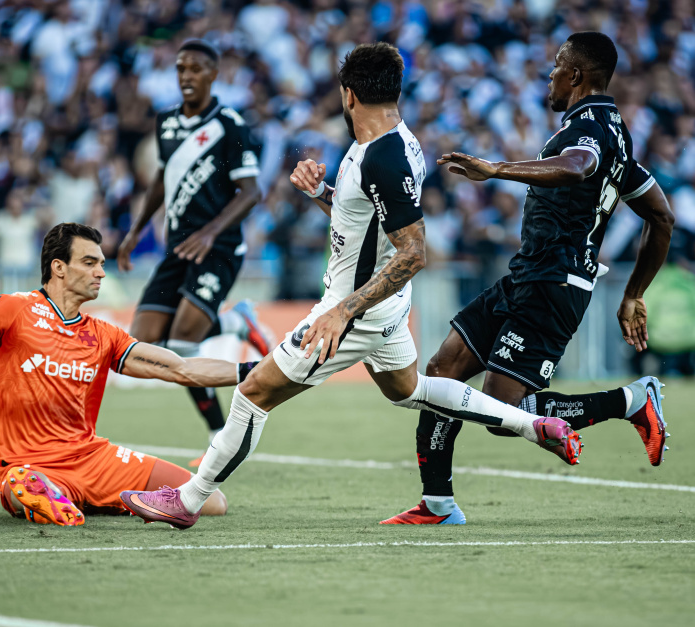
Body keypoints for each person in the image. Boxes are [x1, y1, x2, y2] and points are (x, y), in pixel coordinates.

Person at [119, 42, 582, 530]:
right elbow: (372, 224)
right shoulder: (393, 141)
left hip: (352, 311)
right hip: (382, 308)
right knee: (411, 390)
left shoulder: (381, 155)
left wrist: (342, 313)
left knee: (254, 392)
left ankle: (188, 501)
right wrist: (321, 193)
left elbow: (413, 252)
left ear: (348, 95)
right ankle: (533, 425)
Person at [382, 32, 675, 525]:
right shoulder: (614, 136)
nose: (551, 76)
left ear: (577, 75)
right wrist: (633, 293)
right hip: (525, 275)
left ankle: (631, 400)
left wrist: (496, 169)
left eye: (558, 66)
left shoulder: (593, 130)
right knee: (441, 372)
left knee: (500, 408)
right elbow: (661, 217)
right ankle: (437, 504)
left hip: (555, 284)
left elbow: (577, 167)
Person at [0, 223, 256, 526]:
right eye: (90, 263)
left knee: (209, 500)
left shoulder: (103, 334)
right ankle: (37, 493)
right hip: (29, 463)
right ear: (59, 268)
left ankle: (91, 500)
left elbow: (179, 368)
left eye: (102, 264)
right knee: (24, 484)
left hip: (92, 457)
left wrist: (255, 371)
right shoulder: (10, 310)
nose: (101, 273)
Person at [117, 39, 270, 463]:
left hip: (218, 247)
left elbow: (252, 191)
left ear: (213, 75)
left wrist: (210, 231)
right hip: (176, 247)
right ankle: (234, 322)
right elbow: (162, 178)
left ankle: (220, 434)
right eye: (181, 68)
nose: (186, 76)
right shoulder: (165, 123)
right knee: (144, 341)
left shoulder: (230, 124)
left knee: (182, 345)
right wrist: (135, 232)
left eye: (196, 69)